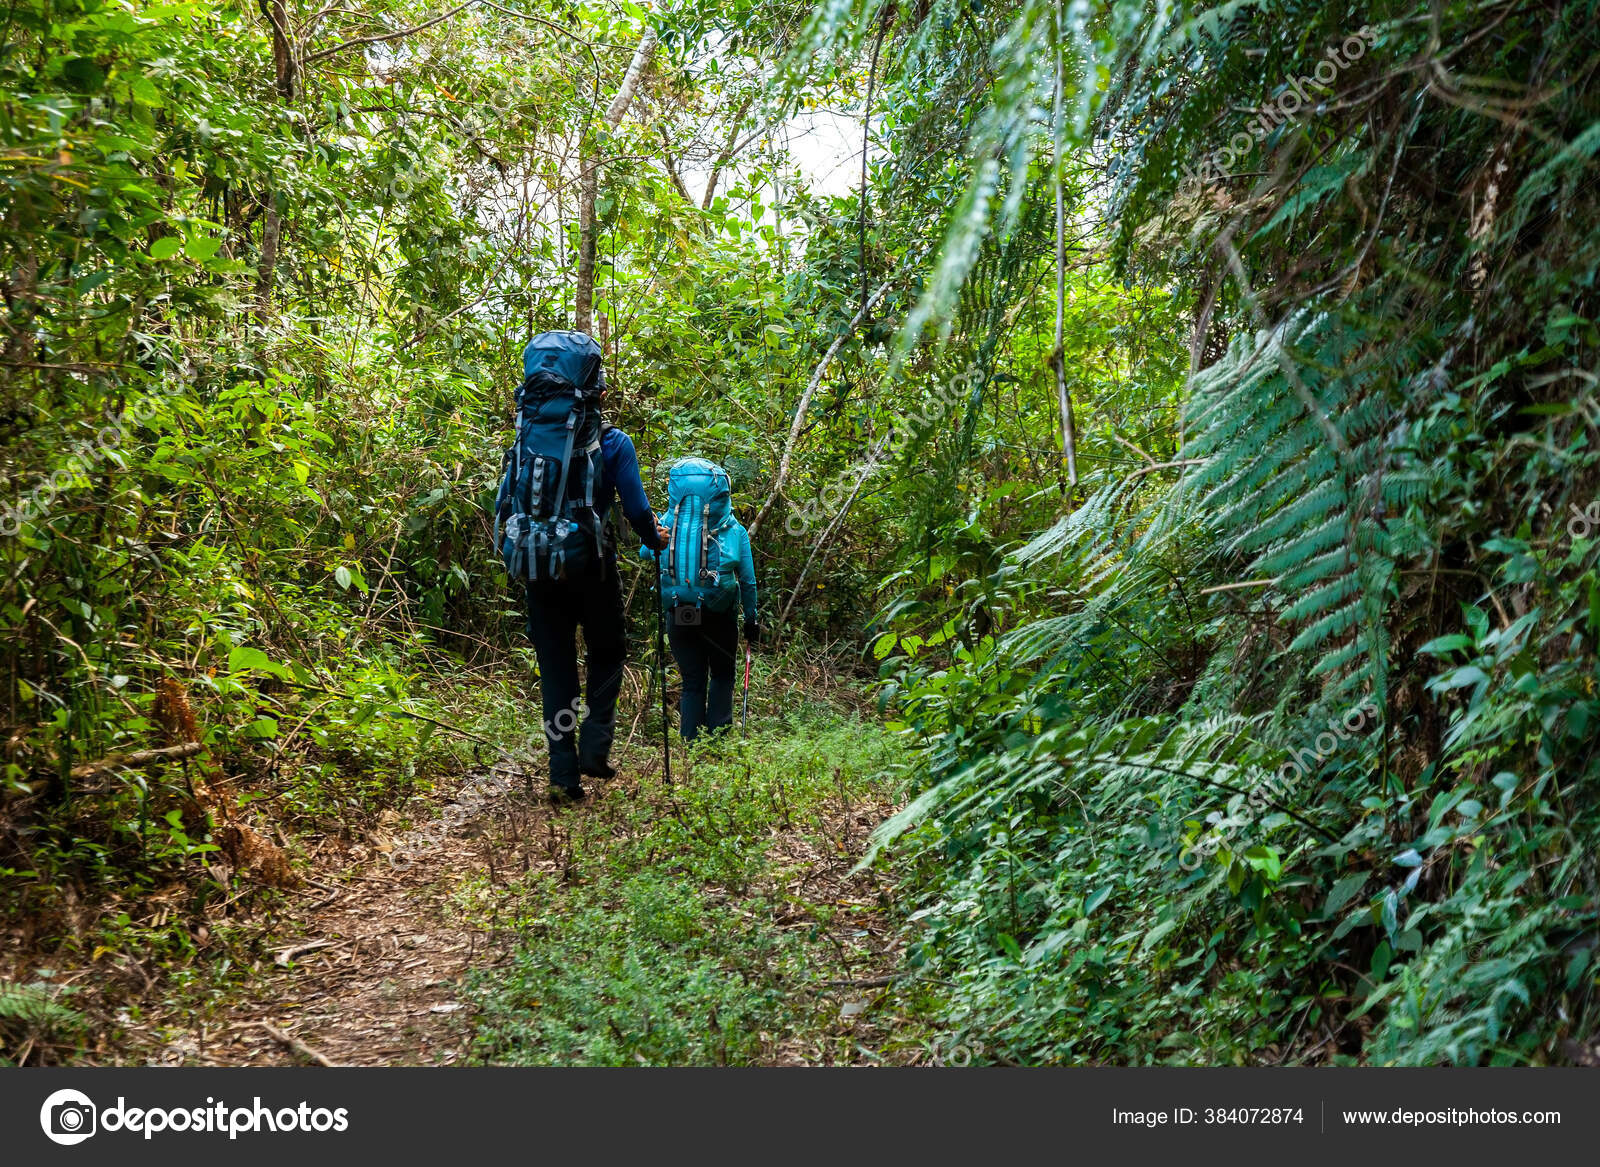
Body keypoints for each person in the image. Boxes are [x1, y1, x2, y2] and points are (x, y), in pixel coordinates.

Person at [516, 334, 668, 804]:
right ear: (598, 391)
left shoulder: (526, 435)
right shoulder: (613, 443)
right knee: (607, 651)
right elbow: (639, 511)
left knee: (556, 667)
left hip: (538, 564)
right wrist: (654, 538)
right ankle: (595, 749)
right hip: (593, 567)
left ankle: (563, 777)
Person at [644, 460, 759, 742]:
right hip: (718, 614)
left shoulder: (668, 523)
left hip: (679, 610)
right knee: (721, 675)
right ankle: (718, 741)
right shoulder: (735, 531)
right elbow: (748, 581)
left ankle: (691, 744)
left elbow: (646, 554)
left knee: (693, 681)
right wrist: (752, 619)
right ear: (723, 494)